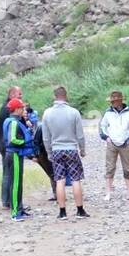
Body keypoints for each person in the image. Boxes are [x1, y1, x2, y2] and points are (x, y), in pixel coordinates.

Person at [42, 86, 90, 220]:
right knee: (76, 179)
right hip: (71, 148)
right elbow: (80, 134)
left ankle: (62, 212)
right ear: (66, 96)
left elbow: (46, 137)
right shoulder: (74, 112)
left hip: (56, 149)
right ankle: (80, 210)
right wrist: (82, 149)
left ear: (54, 96)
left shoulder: (47, 113)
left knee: (60, 180)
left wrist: (49, 152)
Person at [99, 90, 129, 202]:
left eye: (114, 101)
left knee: (127, 168)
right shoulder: (108, 112)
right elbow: (102, 126)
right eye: (111, 101)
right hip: (111, 143)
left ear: (120, 101)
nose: (112, 103)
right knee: (110, 167)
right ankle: (108, 193)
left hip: (125, 143)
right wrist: (106, 137)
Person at [1, 99, 37, 221]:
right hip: (14, 155)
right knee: (15, 183)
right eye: (22, 108)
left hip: (14, 154)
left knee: (17, 182)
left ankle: (20, 208)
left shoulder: (10, 120)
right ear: (17, 109)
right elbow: (12, 140)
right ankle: (16, 213)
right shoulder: (14, 122)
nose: (24, 110)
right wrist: (26, 142)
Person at [0, 85, 27, 214]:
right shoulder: (7, 110)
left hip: (7, 145)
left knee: (10, 174)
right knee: (9, 174)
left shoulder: (7, 109)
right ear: (12, 95)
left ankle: (11, 202)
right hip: (9, 147)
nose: (21, 97)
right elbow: (12, 133)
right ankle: (8, 202)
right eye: (19, 94)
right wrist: (26, 142)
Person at [28, 103, 57, 202]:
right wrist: (35, 156)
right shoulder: (42, 127)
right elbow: (36, 142)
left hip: (44, 153)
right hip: (43, 153)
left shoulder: (41, 126)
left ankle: (57, 193)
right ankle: (57, 193)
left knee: (52, 173)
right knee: (52, 173)